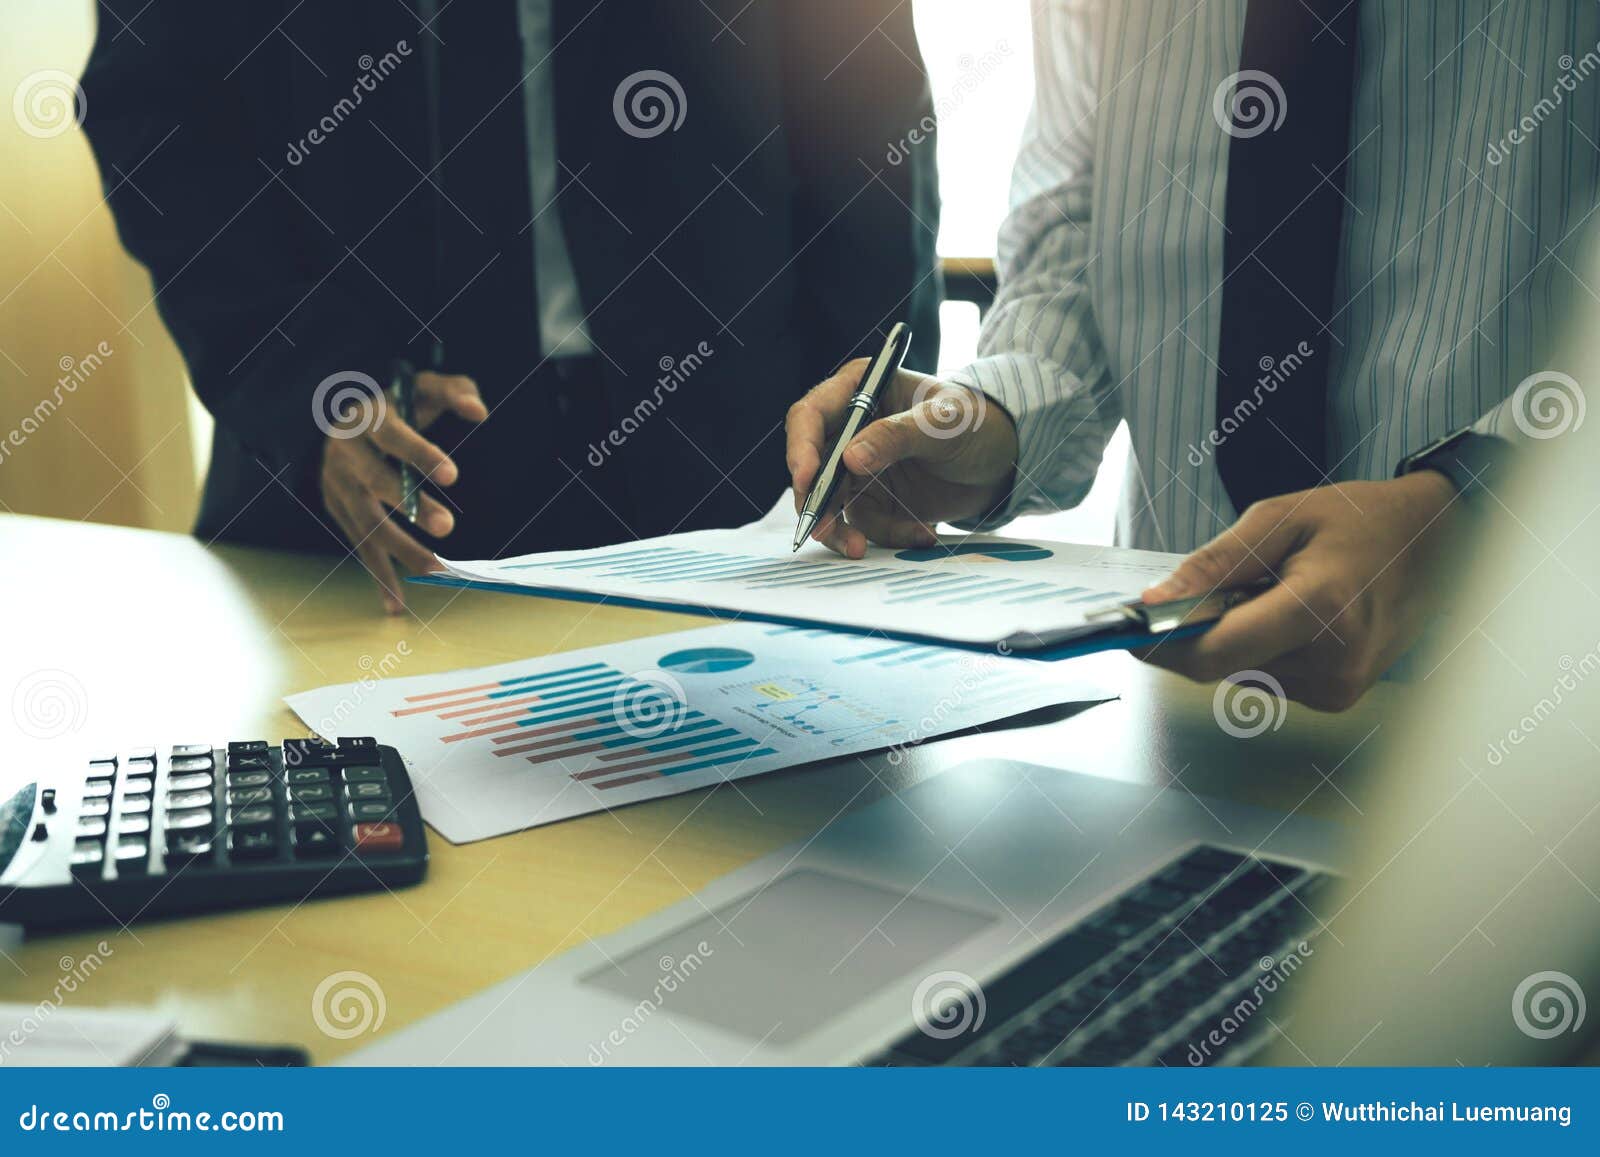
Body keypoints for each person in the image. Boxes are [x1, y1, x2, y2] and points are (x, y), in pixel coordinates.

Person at [786, 0, 1598, 710]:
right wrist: (991, 419)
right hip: (1168, 693)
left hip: (1526, 697)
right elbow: (1077, 232)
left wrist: (1469, 510)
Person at [81, 0, 940, 611]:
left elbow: (865, 104)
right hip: (361, 474)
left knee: (780, 808)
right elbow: (152, 122)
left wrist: (865, 405)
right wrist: (302, 380)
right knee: (353, 809)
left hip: (735, 463)